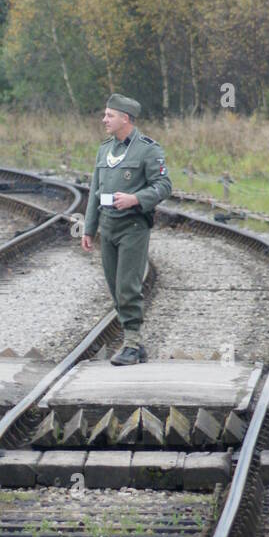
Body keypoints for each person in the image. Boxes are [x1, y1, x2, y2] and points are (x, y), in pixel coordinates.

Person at [81, 94, 172, 365]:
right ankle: (134, 344)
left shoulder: (148, 150)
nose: (104, 120)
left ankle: (132, 342)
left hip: (133, 227)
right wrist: (89, 229)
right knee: (113, 285)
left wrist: (136, 199)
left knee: (127, 286)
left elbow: (164, 186)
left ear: (126, 119)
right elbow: (94, 192)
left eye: (110, 115)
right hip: (107, 227)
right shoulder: (104, 149)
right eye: (105, 114)